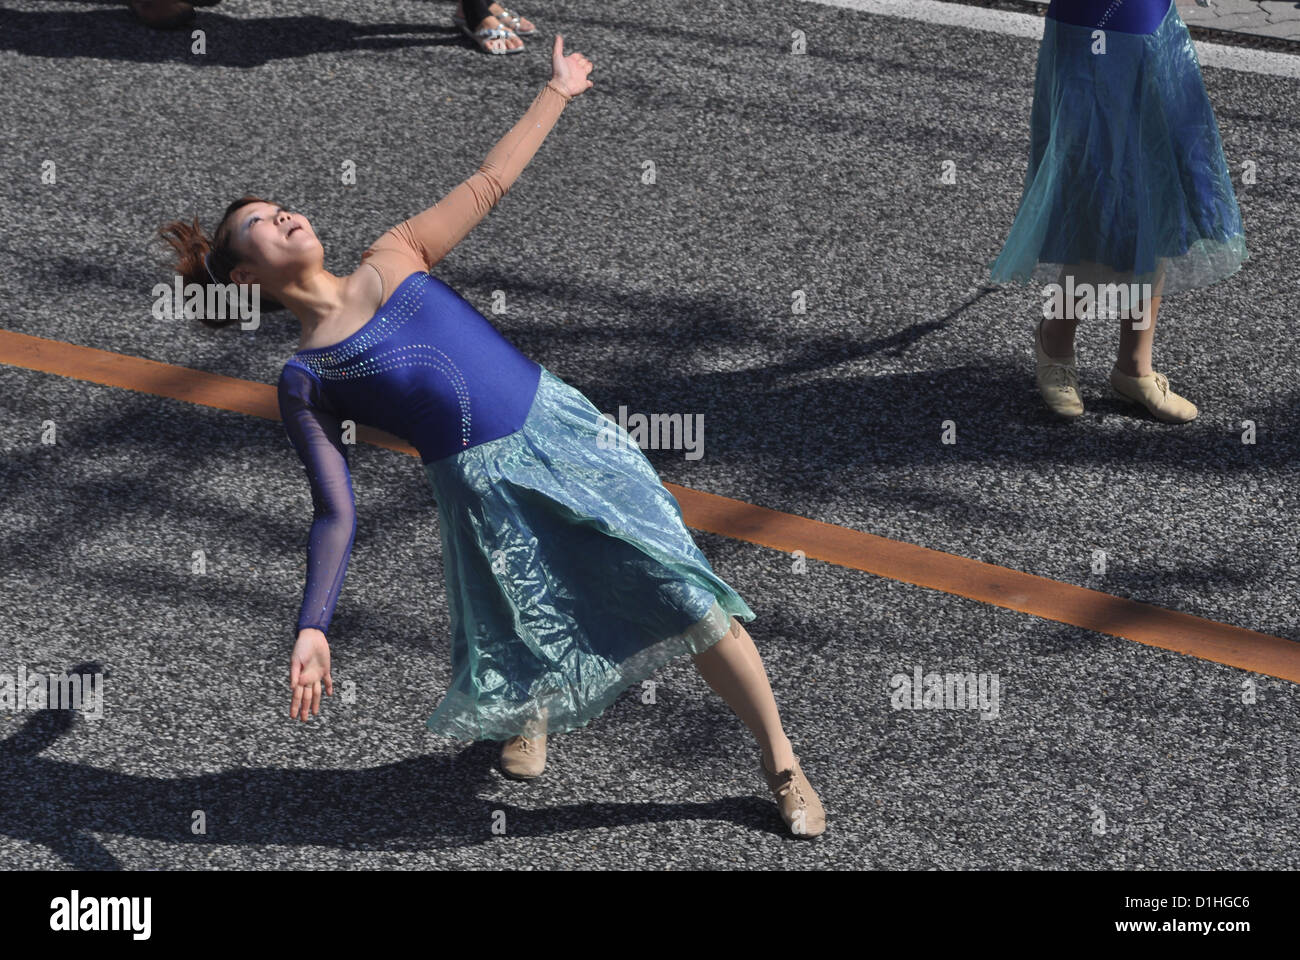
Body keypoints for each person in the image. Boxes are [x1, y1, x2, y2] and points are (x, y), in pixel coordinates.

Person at [158, 37, 825, 838]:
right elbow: (335, 515)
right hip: (481, 496)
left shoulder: (393, 256)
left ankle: (781, 763)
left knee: (690, 597)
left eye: (279, 205)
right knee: (528, 622)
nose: (284, 213)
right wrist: (312, 624)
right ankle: (531, 715)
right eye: (260, 223)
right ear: (244, 278)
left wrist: (557, 91)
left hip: (564, 435)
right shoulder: (305, 380)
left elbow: (491, 182)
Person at [990, 0, 1247, 423]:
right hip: (1089, 29)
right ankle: (1055, 341)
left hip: (1152, 26)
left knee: (1157, 196)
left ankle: (1134, 367)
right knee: (1095, 204)